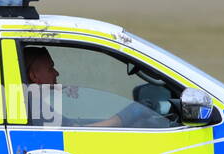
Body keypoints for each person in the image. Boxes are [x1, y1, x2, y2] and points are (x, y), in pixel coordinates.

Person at [21, 46, 166, 128]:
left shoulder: (25, 100)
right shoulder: (34, 107)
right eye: (50, 69)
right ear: (34, 77)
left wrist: (60, 89)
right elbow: (78, 133)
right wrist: (125, 117)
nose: (56, 73)